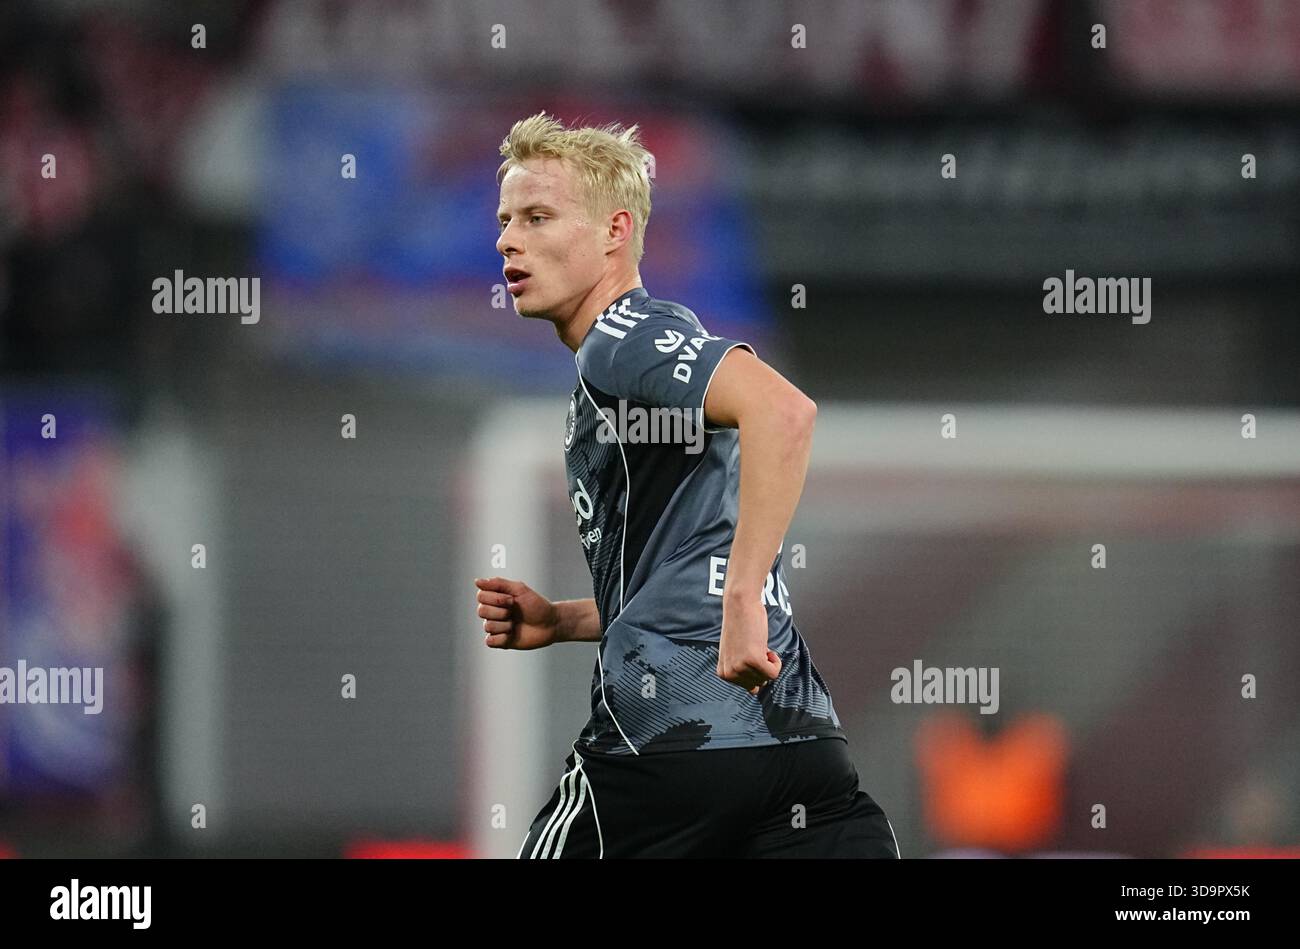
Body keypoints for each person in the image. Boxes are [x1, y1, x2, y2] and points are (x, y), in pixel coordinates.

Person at [476, 112, 899, 858]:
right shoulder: (642, 376)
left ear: (614, 231)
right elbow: (688, 572)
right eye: (506, 219)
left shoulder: (622, 338)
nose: (509, 238)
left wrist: (742, 602)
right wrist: (569, 620)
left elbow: (786, 410)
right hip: (796, 745)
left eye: (538, 216)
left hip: (666, 740)